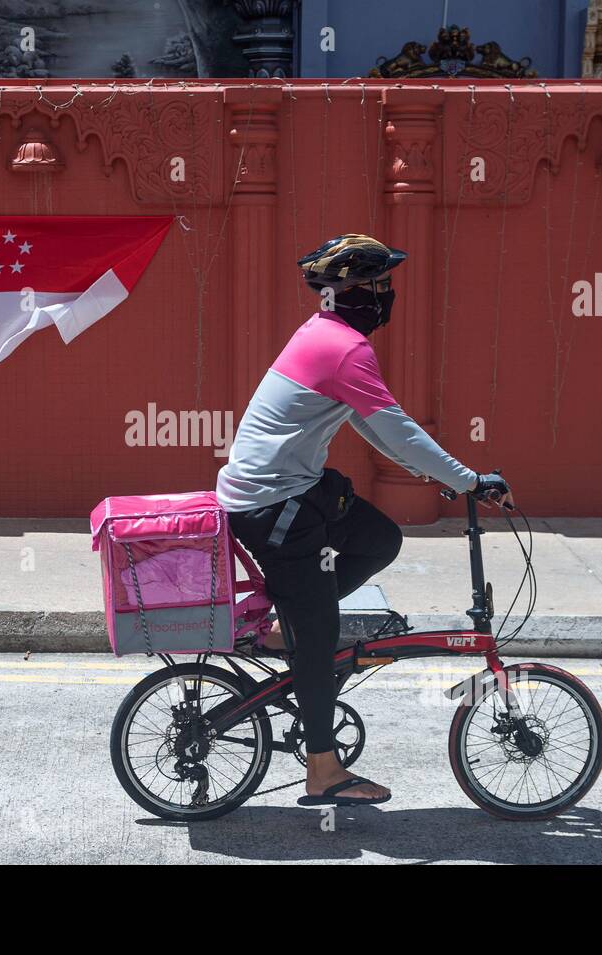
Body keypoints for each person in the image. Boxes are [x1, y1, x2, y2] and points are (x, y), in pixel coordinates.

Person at [215, 234, 513, 808]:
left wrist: (448, 476)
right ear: (350, 292)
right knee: (322, 637)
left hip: (292, 491)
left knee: (379, 536)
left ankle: (293, 621)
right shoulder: (343, 347)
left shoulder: (326, 336)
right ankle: (323, 771)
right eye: (379, 286)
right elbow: (395, 427)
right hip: (274, 508)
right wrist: (468, 480)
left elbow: (375, 427)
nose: (386, 297)